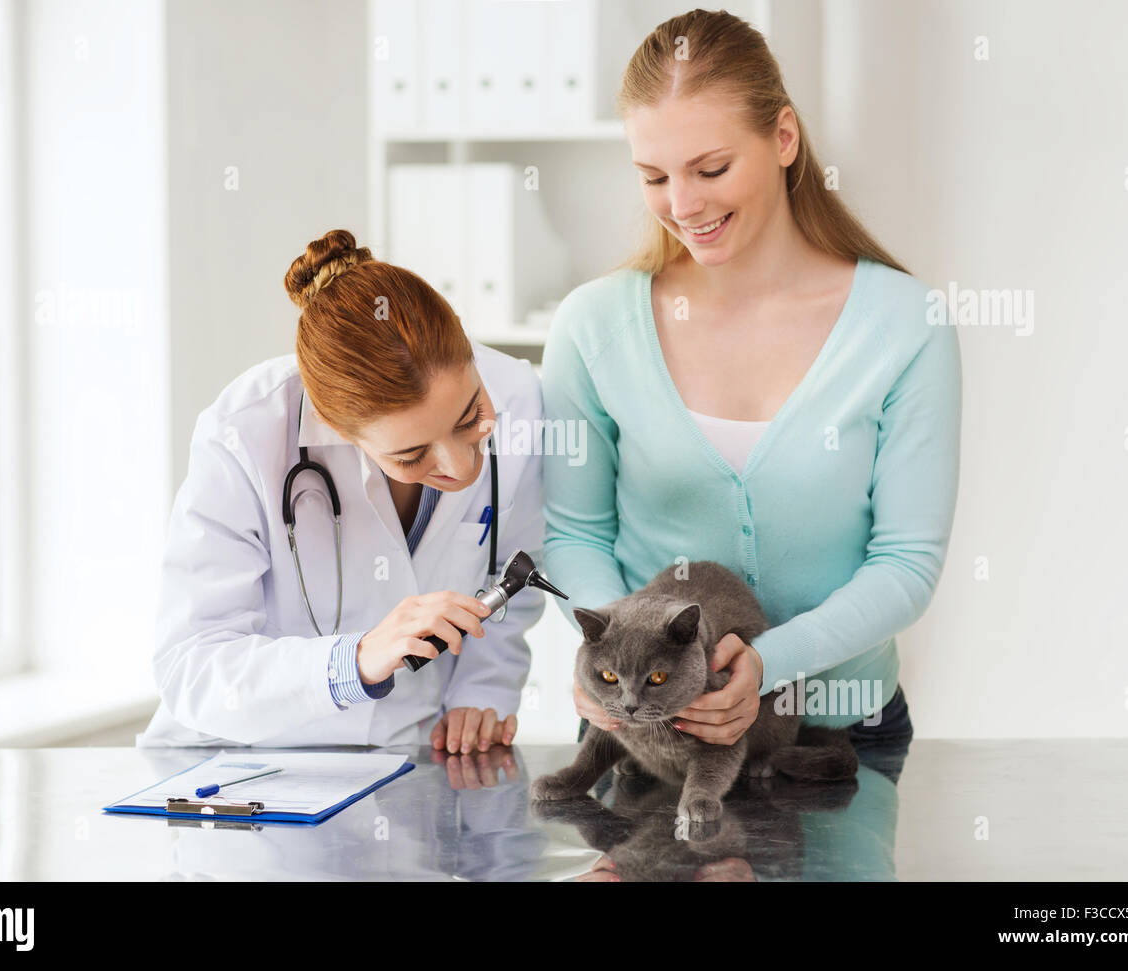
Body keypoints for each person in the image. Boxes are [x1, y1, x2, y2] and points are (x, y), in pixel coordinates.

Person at [541, 10, 961, 769]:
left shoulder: (905, 324)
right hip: (646, 735)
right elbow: (575, 536)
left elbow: (906, 563)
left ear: (784, 137)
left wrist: (772, 663)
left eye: (711, 169)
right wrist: (614, 649)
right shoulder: (593, 326)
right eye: (654, 177)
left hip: (840, 733)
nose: (683, 204)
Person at [137, 229, 545, 753]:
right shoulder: (243, 432)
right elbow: (192, 667)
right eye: (411, 455)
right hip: (241, 763)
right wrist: (355, 661)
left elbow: (511, 576)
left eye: (471, 419)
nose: (462, 467)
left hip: (412, 754)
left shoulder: (519, 395)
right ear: (333, 424)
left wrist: (480, 690)